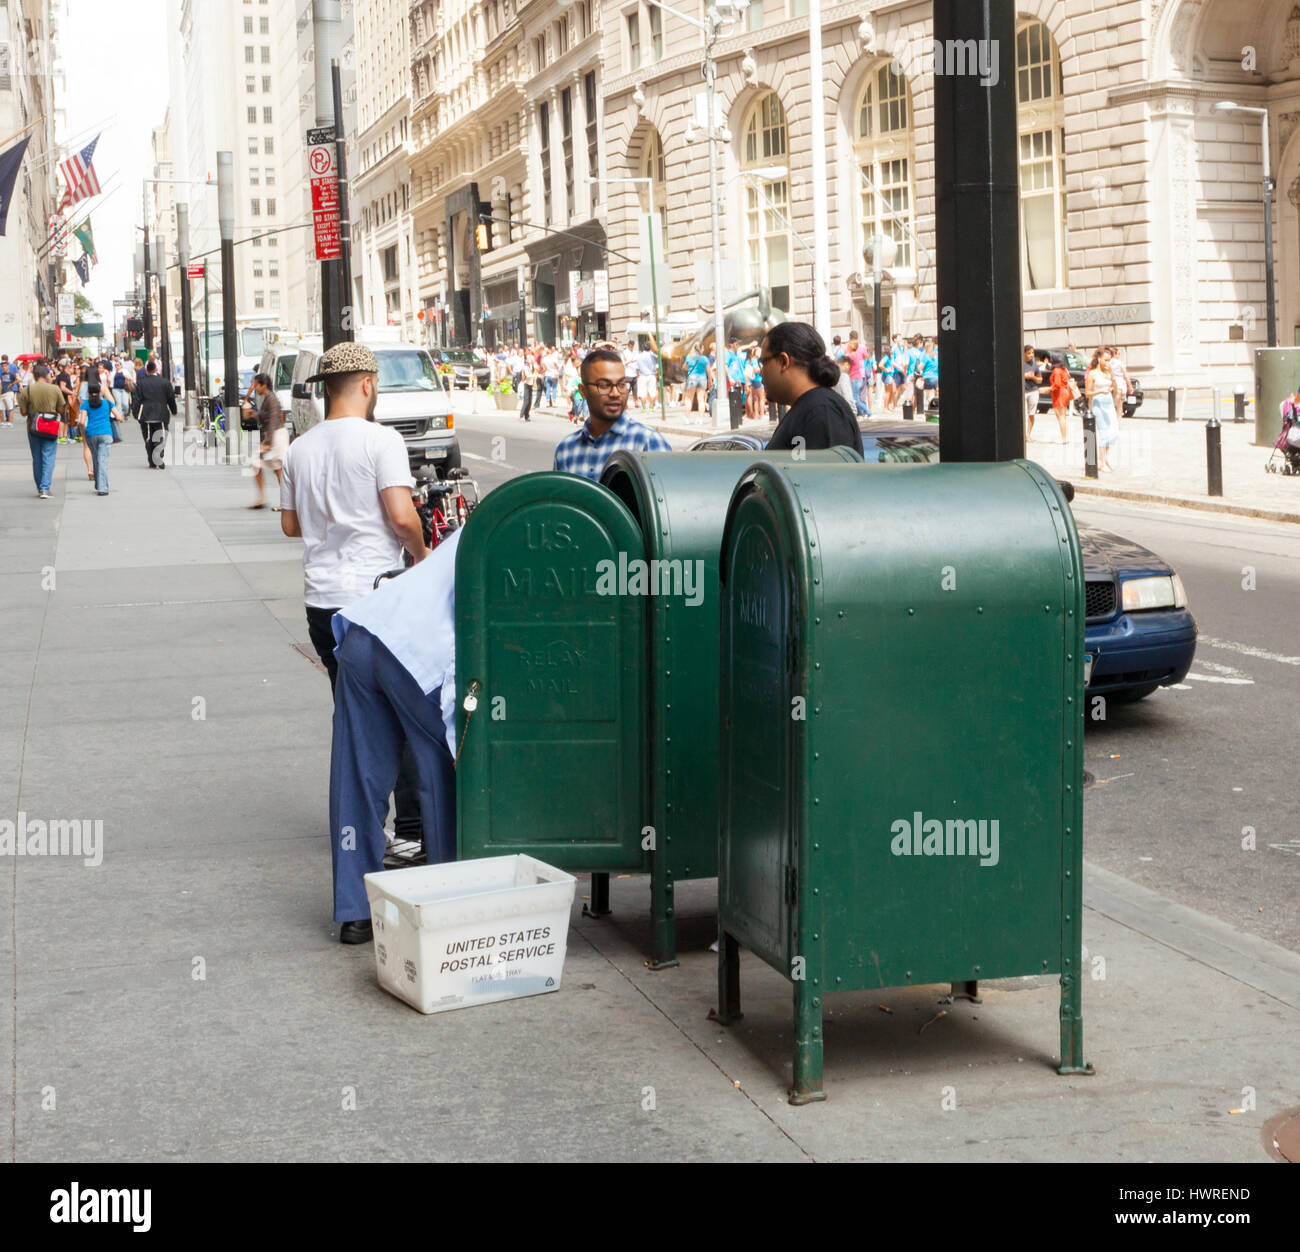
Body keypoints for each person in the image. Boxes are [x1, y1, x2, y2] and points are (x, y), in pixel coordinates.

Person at [327, 529, 462, 944]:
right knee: (442, 774)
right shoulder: (516, 543)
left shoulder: (473, 530)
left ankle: (356, 911)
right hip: (414, 652)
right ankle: (449, 901)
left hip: (366, 629)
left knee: (357, 774)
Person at [553, 347, 673, 479]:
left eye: (621, 384)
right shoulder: (565, 450)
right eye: (604, 385)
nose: (615, 393)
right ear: (583, 390)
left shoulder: (648, 443)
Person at [761, 322, 864, 455]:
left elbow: (827, 474)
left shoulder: (822, 411)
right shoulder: (813, 407)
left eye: (763, 362)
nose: (761, 372)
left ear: (783, 361)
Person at [18, 362, 63, 498]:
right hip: (50, 426)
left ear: (34, 375)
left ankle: (40, 487)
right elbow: (60, 408)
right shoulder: (55, 389)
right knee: (48, 456)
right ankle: (45, 488)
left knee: (36, 457)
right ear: (46, 375)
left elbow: (24, 411)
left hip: (33, 426)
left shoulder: (28, 390)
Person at [247, 372, 288, 509]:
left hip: (276, 437)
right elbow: (267, 419)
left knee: (277, 469)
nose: (254, 387)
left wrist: (267, 443)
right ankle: (264, 498)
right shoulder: (268, 398)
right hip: (273, 435)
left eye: (256, 385)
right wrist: (256, 415)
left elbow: (273, 422)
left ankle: (284, 502)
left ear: (263, 385)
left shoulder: (272, 400)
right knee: (260, 465)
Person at [132, 360, 177, 468]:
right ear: (156, 369)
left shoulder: (141, 383)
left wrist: (135, 413)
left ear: (147, 370)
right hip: (161, 413)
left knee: (148, 438)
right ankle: (158, 455)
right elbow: (171, 398)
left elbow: (137, 400)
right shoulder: (165, 382)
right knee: (161, 436)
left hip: (146, 414)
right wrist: (173, 410)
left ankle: (152, 460)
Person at [80, 382, 118, 495]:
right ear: (100, 391)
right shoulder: (107, 403)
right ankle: (103, 488)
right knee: (103, 460)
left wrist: (83, 430)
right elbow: (118, 416)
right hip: (106, 433)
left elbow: (82, 422)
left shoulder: (85, 404)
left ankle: (98, 483)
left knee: (96, 459)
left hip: (91, 433)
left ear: (88, 393)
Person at [1085, 348, 1118, 473]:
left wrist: (1112, 375)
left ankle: (1104, 456)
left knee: (1113, 432)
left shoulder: (1108, 373)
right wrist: (1100, 391)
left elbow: (1115, 388)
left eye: (1110, 360)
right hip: (1098, 403)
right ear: (1099, 359)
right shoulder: (1092, 373)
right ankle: (1103, 462)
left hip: (1108, 403)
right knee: (1104, 433)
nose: (1108, 363)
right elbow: (1088, 393)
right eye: (1106, 360)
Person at [1048, 352, 1072, 442]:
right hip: (1065, 392)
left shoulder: (1056, 370)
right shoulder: (1064, 369)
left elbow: (1057, 384)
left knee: (1060, 416)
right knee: (1063, 416)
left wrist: (1048, 389)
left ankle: (1064, 438)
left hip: (1059, 394)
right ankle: (1064, 437)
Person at [846, 331, 871, 416]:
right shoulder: (862, 347)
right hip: (862, 373)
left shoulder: (849, 348)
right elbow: (866, 357)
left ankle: (864, 412)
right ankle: (862, 412)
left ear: (850, 337)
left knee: (855, 397)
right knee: (862, 394)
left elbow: (846, 361)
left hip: (854, 375)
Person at [682, 344, 710, 420]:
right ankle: (700, 419)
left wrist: (690, 368)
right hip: (702, 379)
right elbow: (708, 371)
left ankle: (687, 418)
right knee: (701, 399)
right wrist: (710, 380)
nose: (703, 350)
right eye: (703, 348)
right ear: (700, 349)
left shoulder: (689, 357)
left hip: (692, 378)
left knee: (689, 399)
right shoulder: (705, 359)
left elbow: (684, 367)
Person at [1023, 343, 1043, 441]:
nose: (1031, 355)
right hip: (1023, 392)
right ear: (1024, 353)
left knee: (1031, 413)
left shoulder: (1034, 364)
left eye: (1032, 353)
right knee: (1023, 414)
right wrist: (1025, 375)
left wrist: (1033, 377)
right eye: (1029, 353)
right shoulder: (1020, 363)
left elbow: (1040, 379)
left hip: (1033, 391)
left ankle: (1028, 435)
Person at [635, 341, 659, 412]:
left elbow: (637, 368)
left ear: (643, 348)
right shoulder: (653, 356)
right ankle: (651, 407)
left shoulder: (639, 356)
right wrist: (656, 374)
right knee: (652, 392)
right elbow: (657, 367)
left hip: (642, 375)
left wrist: (637, 376)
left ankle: (644, 408)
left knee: (642, 392)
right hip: (651, 375)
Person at [0, 354, 18, 426]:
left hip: (9, 392)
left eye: (5, 366)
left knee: (10, 408)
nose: (3, 367)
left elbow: (18, 378)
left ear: (8, 366)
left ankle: (10, 422)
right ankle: (3, 422)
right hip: (2, 392)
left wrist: (12, 384)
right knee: (1, 409)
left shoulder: (11, 373)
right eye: (2, 366)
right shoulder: (1, 374)